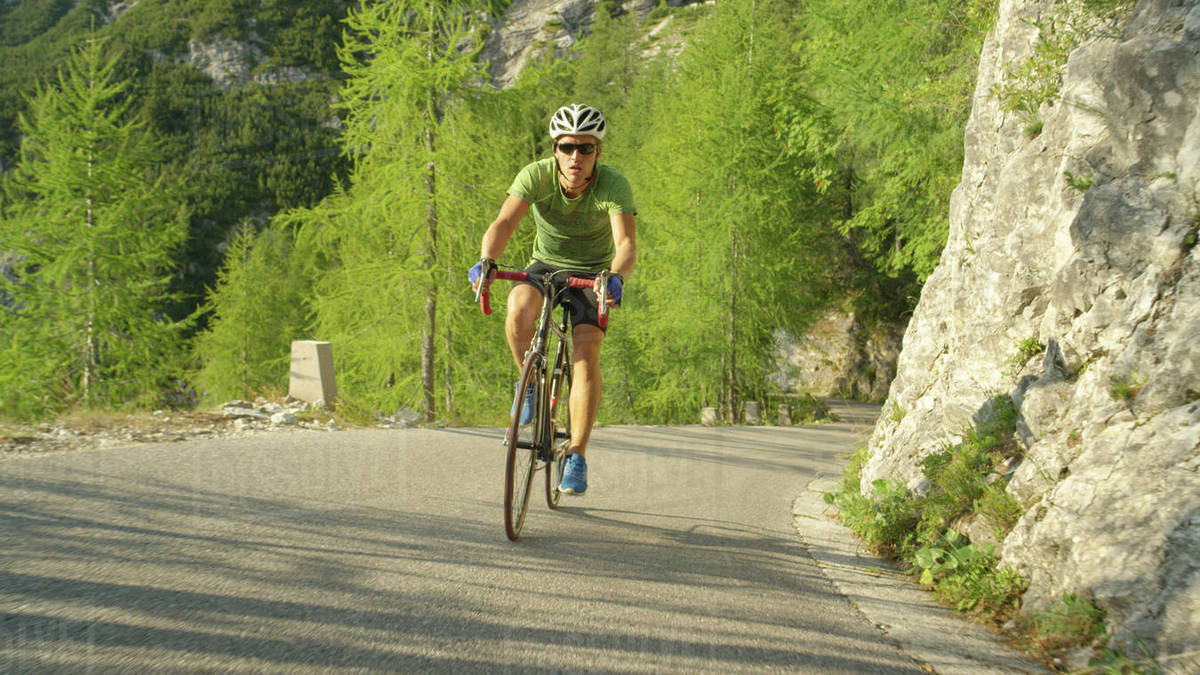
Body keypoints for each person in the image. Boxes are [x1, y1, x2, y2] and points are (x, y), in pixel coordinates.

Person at [469, 104, 637, 497]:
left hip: (593, 272)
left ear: (598, 152)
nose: (575, 157)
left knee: (585, 352)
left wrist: (615, 277)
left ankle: (576, 453)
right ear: (554, 149)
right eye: (566, 147)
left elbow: (626, 243)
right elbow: (505, 223)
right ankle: (530, 385)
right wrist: (487, 260)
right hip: (545, 265)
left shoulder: (613, 184)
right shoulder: (536, 175)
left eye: (585, 148)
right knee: (518, 309)